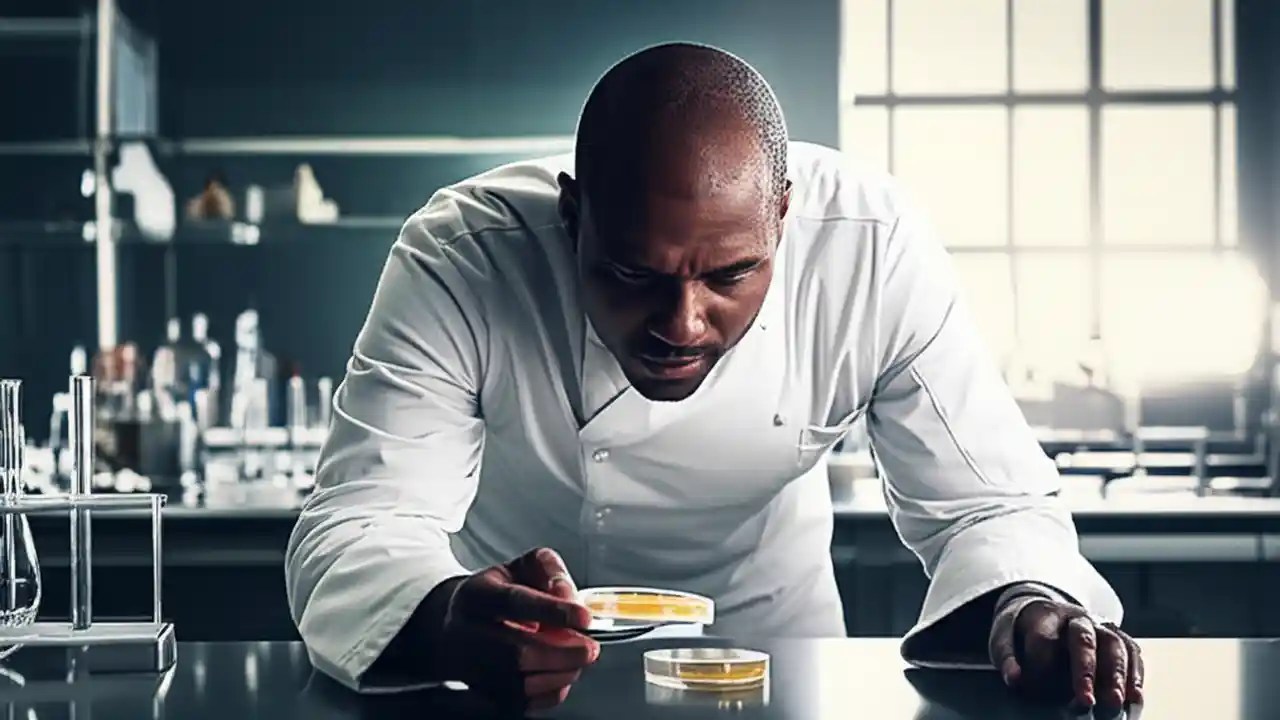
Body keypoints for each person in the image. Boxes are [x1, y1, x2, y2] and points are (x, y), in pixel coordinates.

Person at [285, 42, 1143, 713]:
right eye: (633, 276)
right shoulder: (464, 256)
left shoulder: (871, 250)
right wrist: (443, 622)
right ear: (573, 216)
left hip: (778, 662)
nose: (680, 325)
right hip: (506, 670)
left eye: (730, 275)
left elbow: (988, 504)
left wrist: (1026, 601)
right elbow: (362, 521)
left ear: (783, 216)